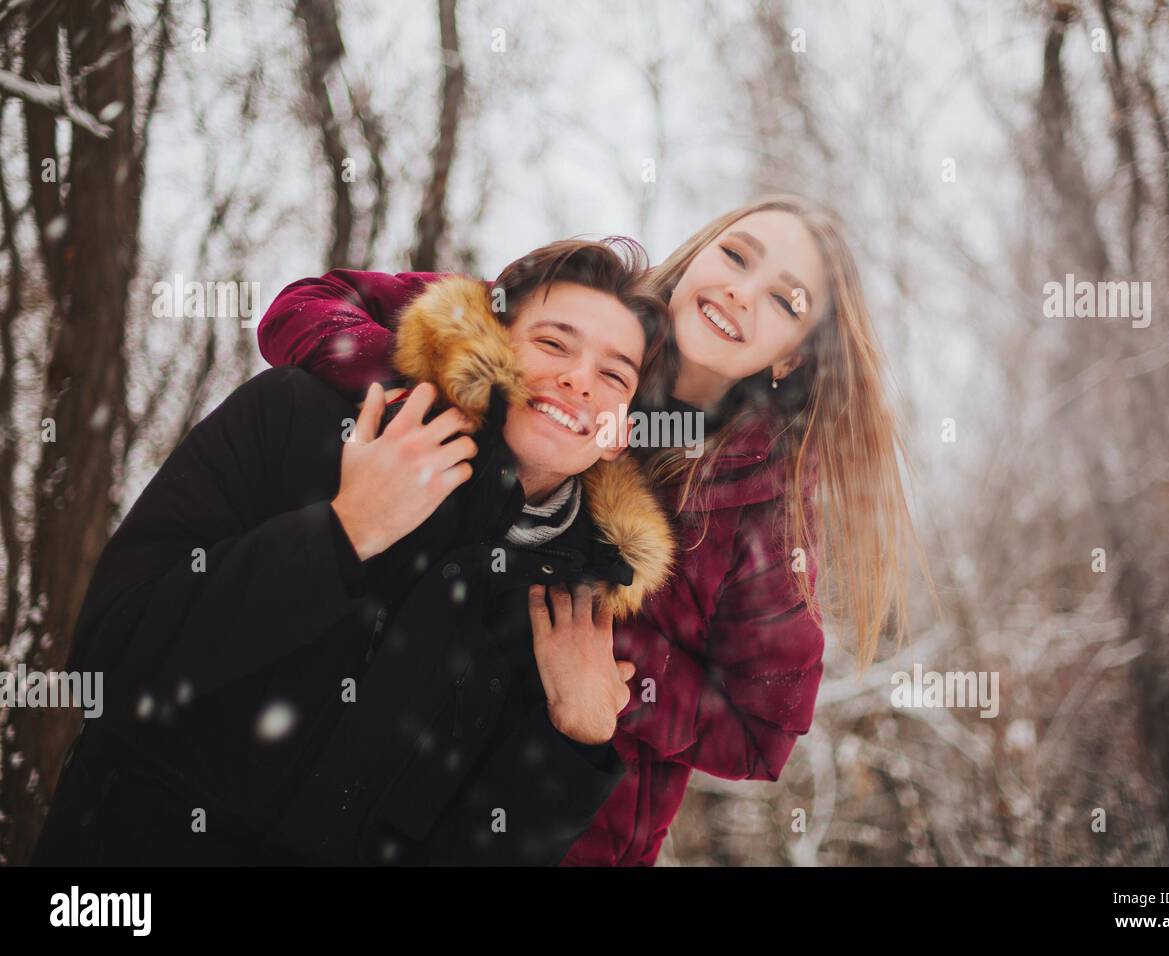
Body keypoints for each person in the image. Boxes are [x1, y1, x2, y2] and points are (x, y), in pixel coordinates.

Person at [257, 195, 930, 866]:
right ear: (699, 253)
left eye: (786, 301)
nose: (741, 292)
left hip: (557, 833)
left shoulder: (766, 504)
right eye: (735, 256)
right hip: (372, 760)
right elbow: (306, 306)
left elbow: (765, 732)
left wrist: (614, 670)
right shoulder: (577, 324)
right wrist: (443, 389)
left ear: (790, 358)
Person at [32, 238, 675, 866]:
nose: (577, 380)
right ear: (491, 347)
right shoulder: (292, 417)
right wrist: (342, 535)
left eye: (613, 374)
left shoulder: (572, 605)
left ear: (621, 435)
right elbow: (110, 657)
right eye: (553, 343)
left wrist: (575, 742)